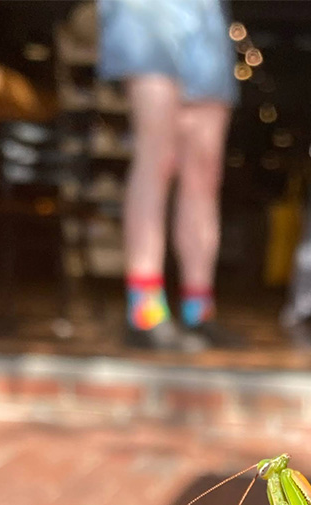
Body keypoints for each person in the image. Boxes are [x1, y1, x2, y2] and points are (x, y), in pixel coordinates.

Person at [99, 0, 238, 350]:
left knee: (205, 171)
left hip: (206, 12)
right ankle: (145, 313)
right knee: (158, 157)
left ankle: (198, 313)